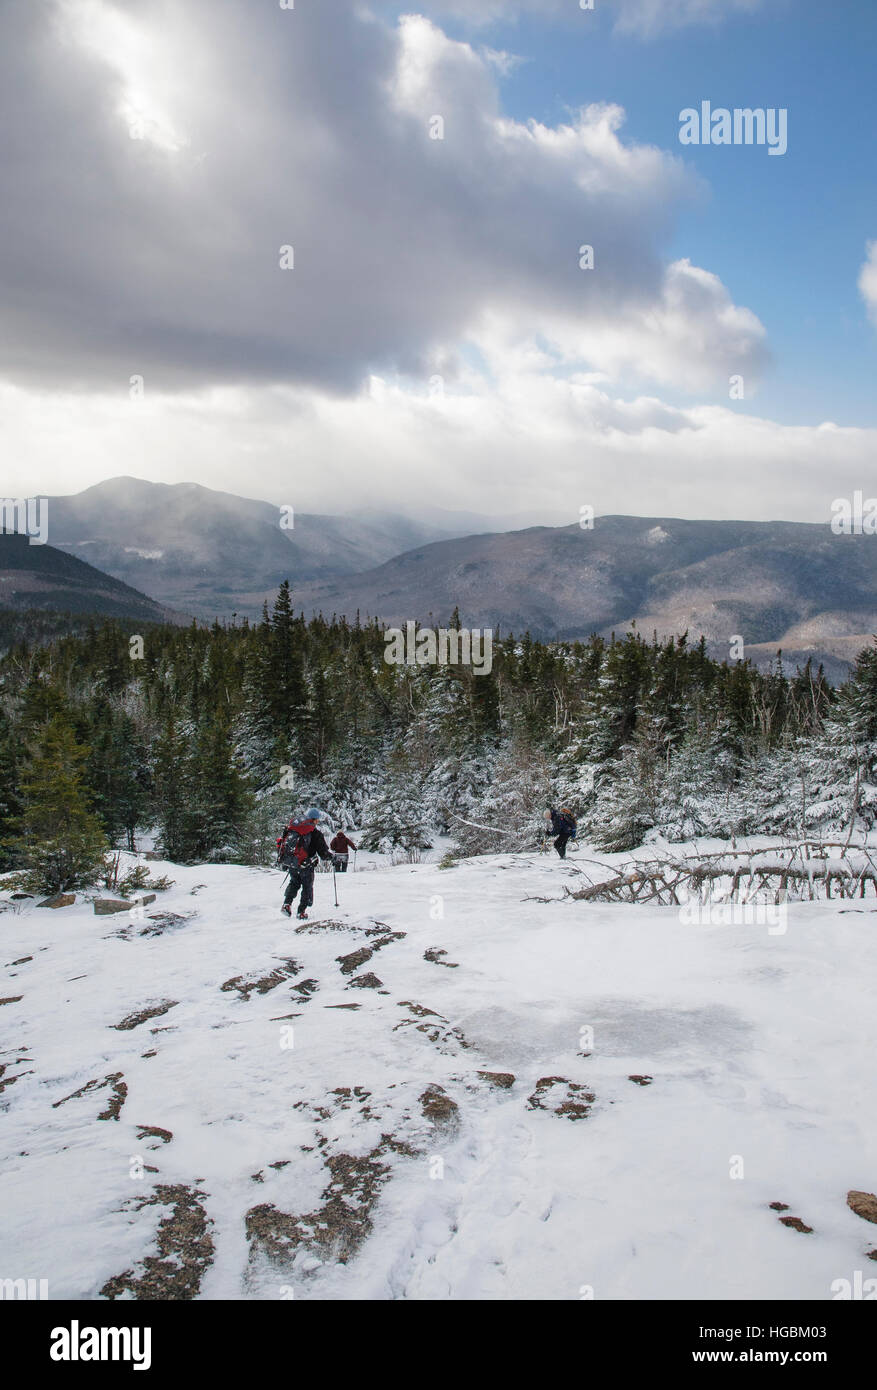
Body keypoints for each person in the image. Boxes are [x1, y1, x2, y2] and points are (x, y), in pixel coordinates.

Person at [278, 807, 332, 919]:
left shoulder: (294, 829)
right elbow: (323, 853)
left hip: (293, 862)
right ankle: (301, 912)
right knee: (307, 887)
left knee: (294, 883)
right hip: (306, 864)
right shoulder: (315, 833)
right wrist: (332, 857)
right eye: (317, 820)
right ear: (315, 820)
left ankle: (287, 904)